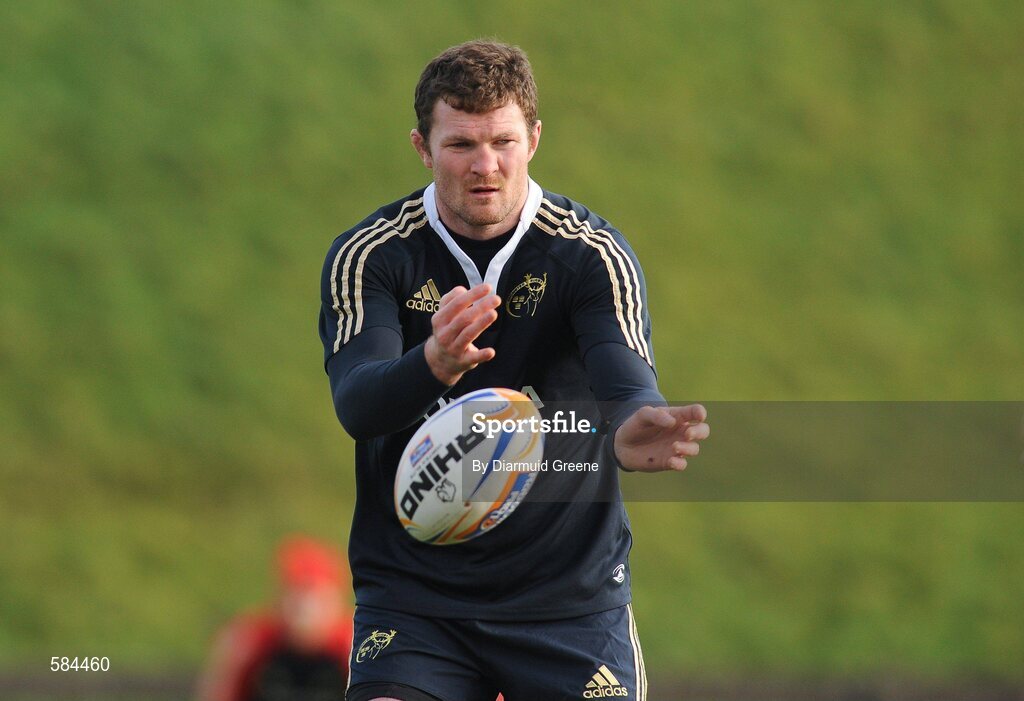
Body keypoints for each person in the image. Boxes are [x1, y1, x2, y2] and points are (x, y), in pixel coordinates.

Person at [318, 40, 710, 701]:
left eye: (502, 140)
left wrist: (638, 415)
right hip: (417, 600)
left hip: (567, 599)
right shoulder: (374, 256)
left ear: (534, 138)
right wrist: (434, 363)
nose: (486, 165)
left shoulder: (588, 254)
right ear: (422, 146)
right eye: (461, 144)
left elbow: (621, 365)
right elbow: (358, 403)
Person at [197, 537, 353, 701]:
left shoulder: (351, 646)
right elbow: (220, 691)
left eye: (315, 597)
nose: (306, 610)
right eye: (297, 595)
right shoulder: (253, 641)